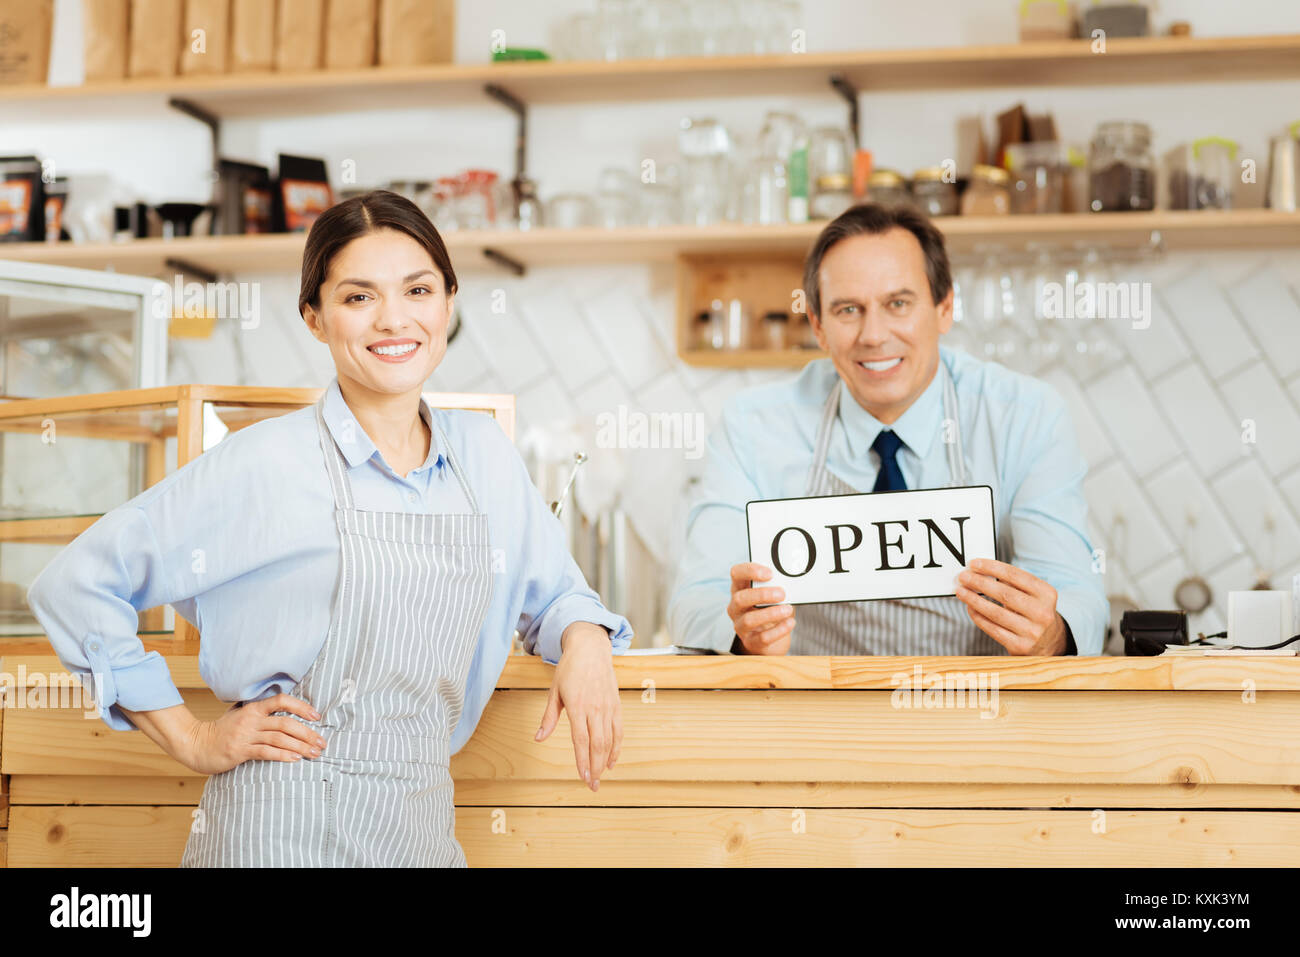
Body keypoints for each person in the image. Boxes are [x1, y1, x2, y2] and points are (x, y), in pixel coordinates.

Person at [27, 189, 631, 867]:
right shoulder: (266, 461)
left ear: (449, 304)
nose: (393, 319)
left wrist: (585, 641)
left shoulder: (483, 457)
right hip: (277, 831)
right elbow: (75, 585)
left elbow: (556, 596)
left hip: (417, 830)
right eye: (358, 297)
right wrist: (193, 739)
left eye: (417, 290)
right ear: (314, 318)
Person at [668, 202, 1107, 656]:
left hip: (981, 717)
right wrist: (740, 632)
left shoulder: (1026, 416)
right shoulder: (752, 426)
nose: (874, 335)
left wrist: (1052, 631)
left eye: (898, 304)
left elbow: (1078, 592)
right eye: (847, 310)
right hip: (814, 718)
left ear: (944, 308)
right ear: (818, 326)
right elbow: (695, 599)